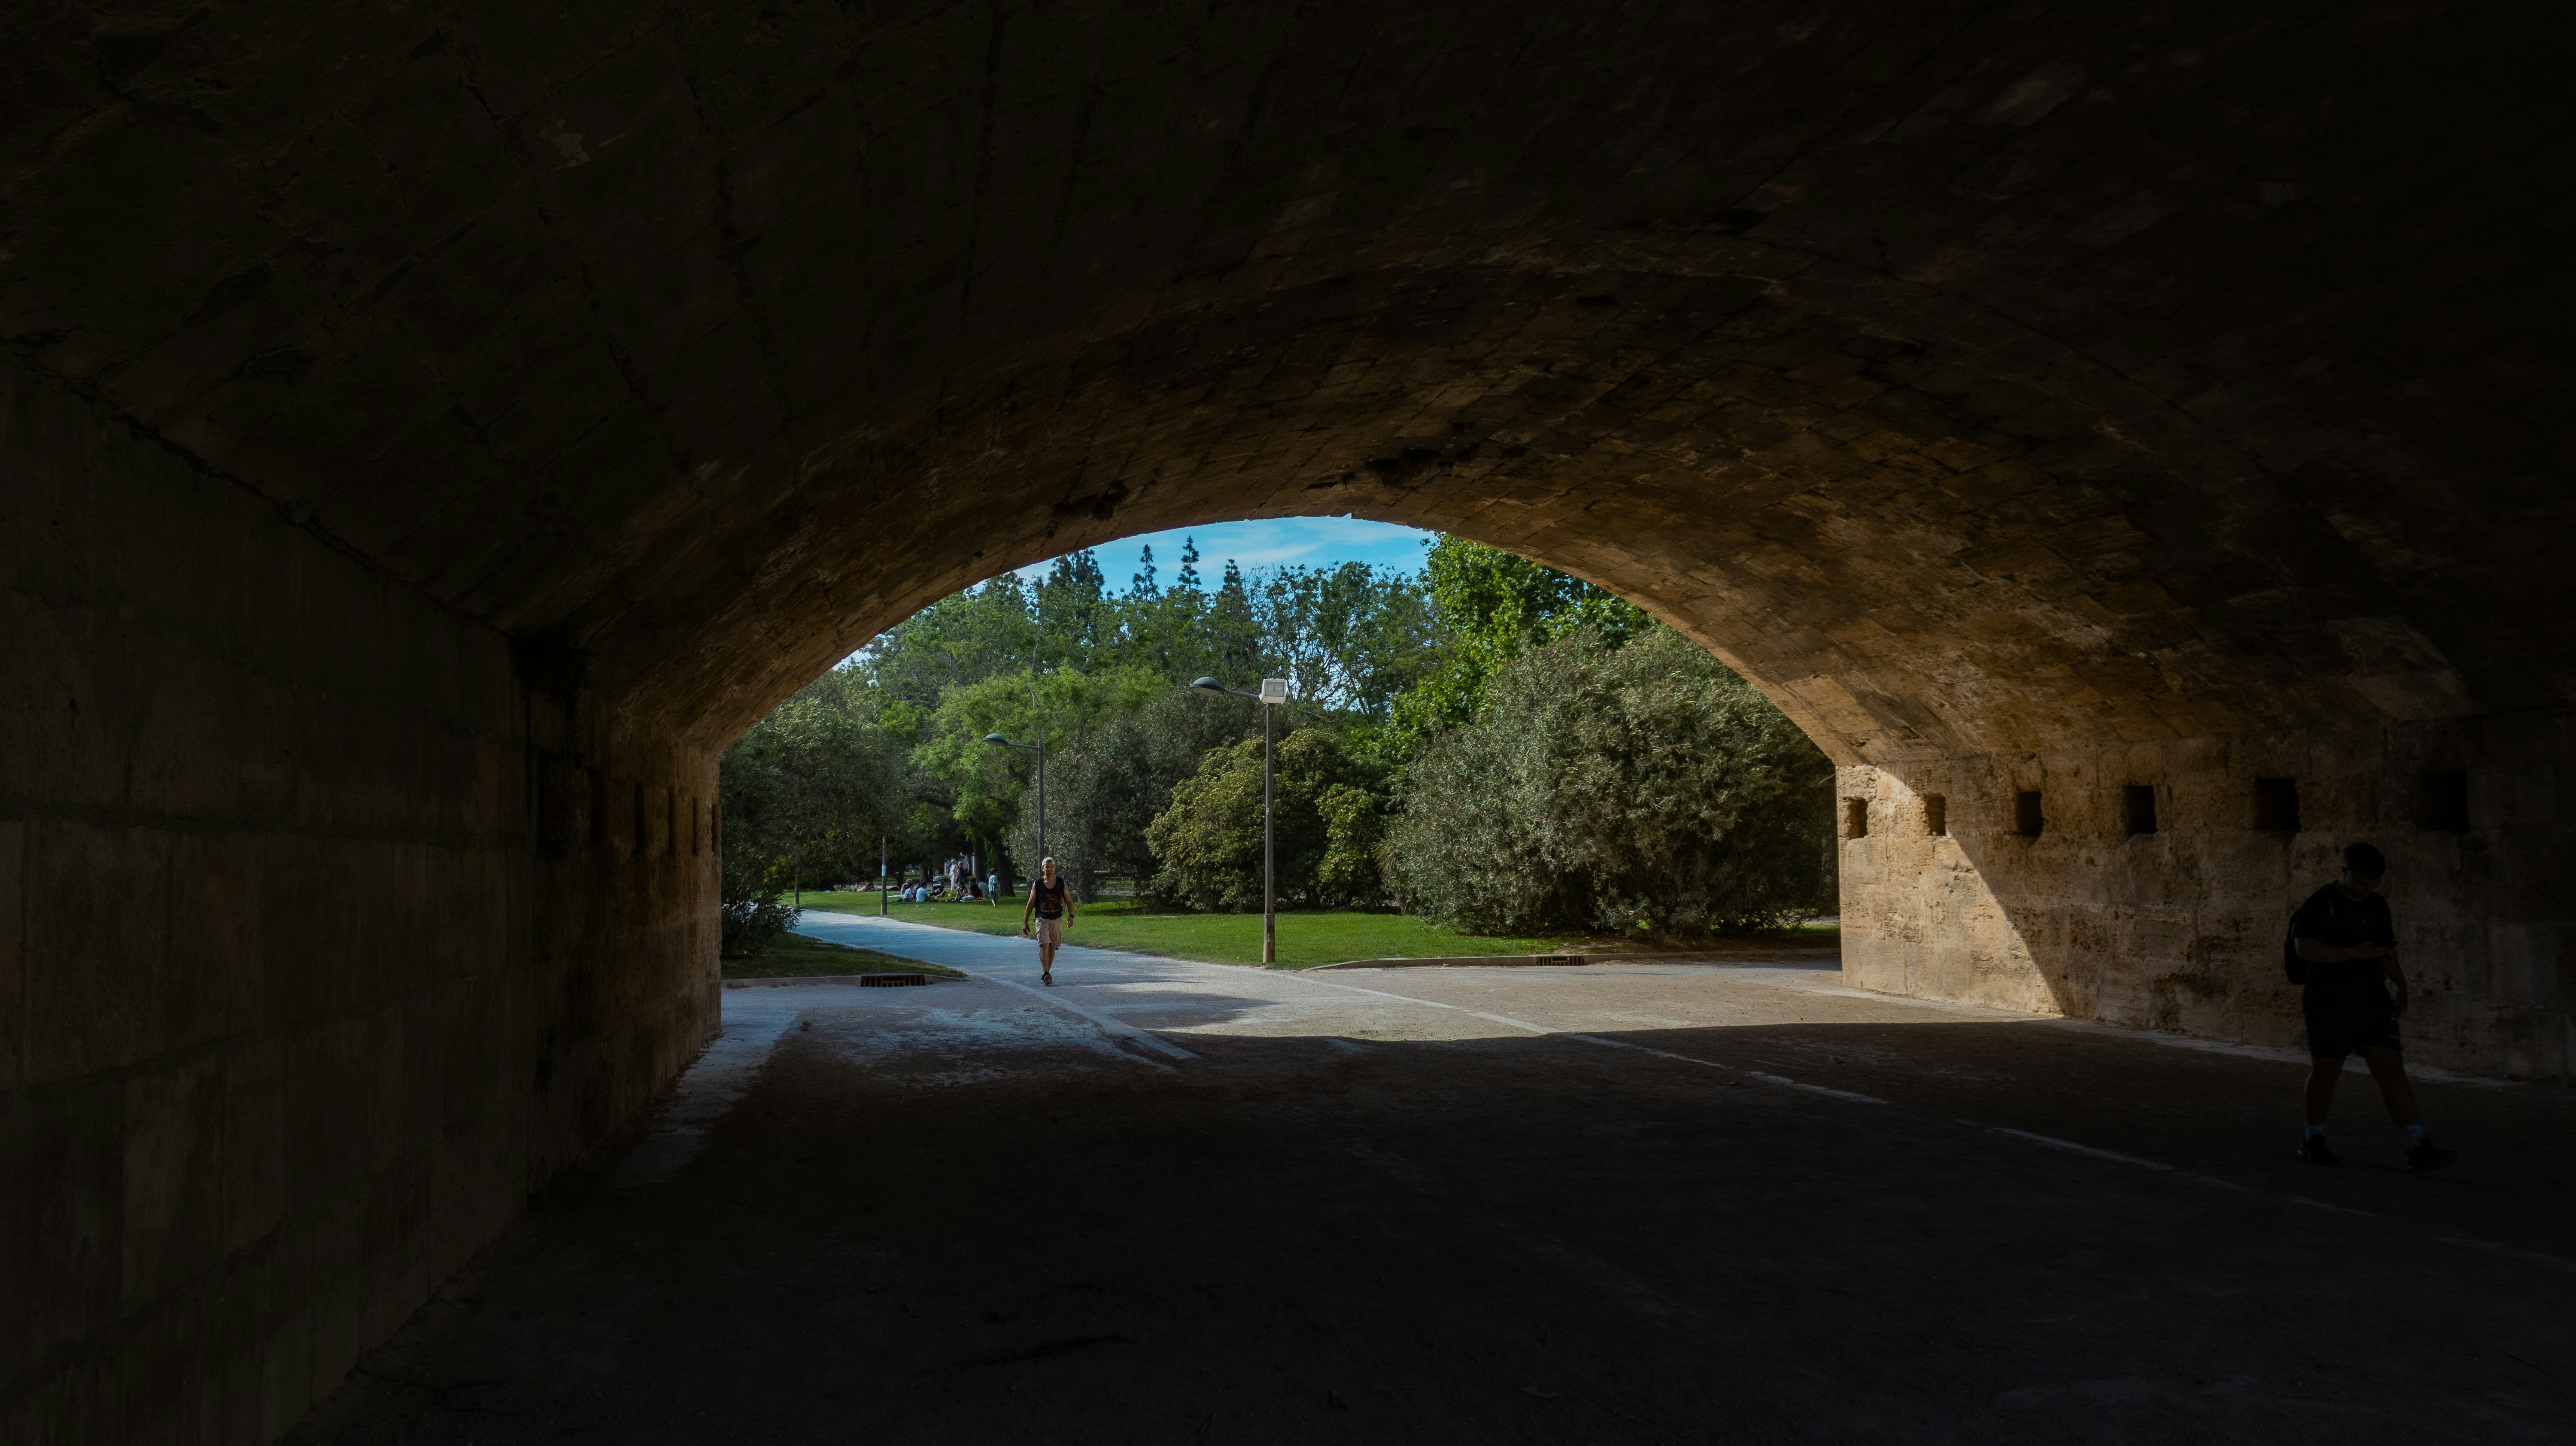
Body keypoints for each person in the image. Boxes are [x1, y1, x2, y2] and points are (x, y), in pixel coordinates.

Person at [2291, 842, 2457, 1171]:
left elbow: (2385, 950)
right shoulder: (2320, 904)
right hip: (2329, 1002)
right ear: (2344, 872)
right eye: (2358, 881)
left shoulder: (2378, 906)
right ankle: (2313, 1140)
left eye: (2371, 884)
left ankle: (2417, 1144)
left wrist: (2403, 984)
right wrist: (2355, 953)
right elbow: (2305, 950)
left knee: (2393, 1072)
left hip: (2372, 1001)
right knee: (2326, 1073)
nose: (2363, 889)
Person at [1019, 856, 1075, 985]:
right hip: (1042, 918)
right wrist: (1025, 921)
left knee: (1052, 946)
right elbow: (1031, 903)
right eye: (1047, 867)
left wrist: (1071, 916)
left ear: (1055, 868)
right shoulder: (1038, 884)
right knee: (1044, 944)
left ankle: (1047, 973)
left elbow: (1070, 901)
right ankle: (1045, 972)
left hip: (1057, 918)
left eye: (1052, 867)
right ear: (1042, 869)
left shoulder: (1061, 883)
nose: (1049, 869)